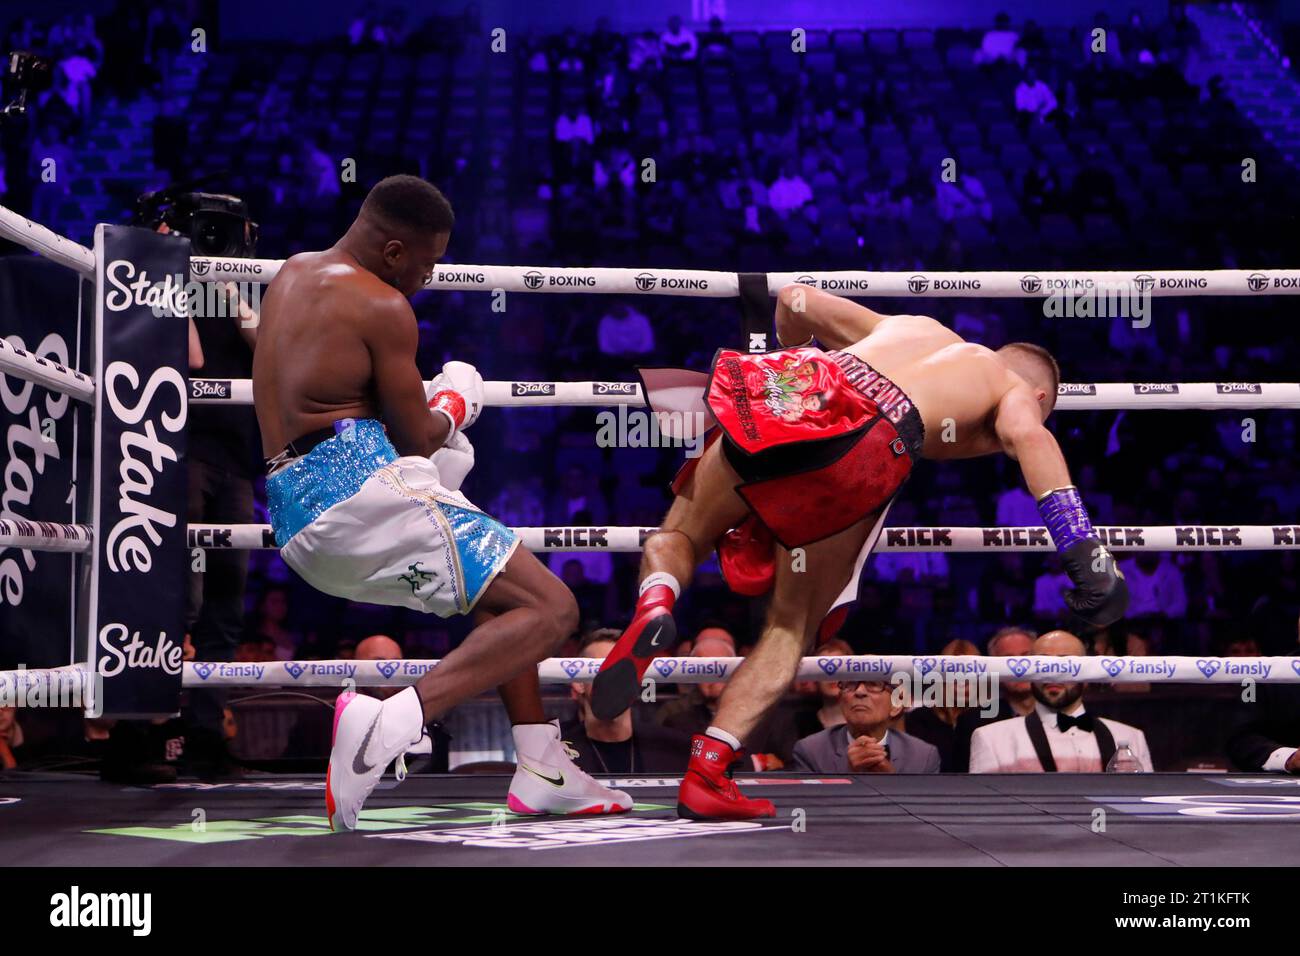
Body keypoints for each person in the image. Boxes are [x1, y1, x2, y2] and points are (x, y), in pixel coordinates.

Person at [591, 284, 1129, 819]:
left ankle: (656, 605)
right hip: (871, 440)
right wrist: (1086, 553)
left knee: (681, 532)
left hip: (794, 390)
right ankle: (707, 771)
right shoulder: (1011, 388)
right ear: (1041, 398)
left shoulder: (910, 326)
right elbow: (1031, 439)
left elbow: (794, 298)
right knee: (789, 626)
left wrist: (794, 357)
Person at [253, 175, 630, 829]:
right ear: (395, 251)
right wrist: (457, 400)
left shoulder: (290, 275)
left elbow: (339, 402)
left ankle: (541, 765)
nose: (429, 278)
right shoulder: (381, 305)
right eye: (427, 262)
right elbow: (418, 438)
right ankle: (390, 722)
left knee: (501, 597)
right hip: (358, 496)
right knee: (552, 607)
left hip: (295, 514)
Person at [969, 630, 1152, 773]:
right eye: (1043, 665)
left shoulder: (1131, 737)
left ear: (1087, 674)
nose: (1054, 674)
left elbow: (1144, 808)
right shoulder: (992, 739)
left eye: (1065, 664)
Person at [560, 630, 692, 774]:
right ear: (579, 683)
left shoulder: (672, 748)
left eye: (624, 669)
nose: (616, 679)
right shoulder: (557, 754)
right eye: (605, 669)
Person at [792, 678, 940, 774]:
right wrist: (850, 773)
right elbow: (813, 813)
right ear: (841, 700)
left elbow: (925, 818)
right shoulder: (810, 751)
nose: (860, 691)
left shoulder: (923, 756)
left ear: (897, 705)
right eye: (850, 684)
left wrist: (891, 782)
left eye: (874, 684)